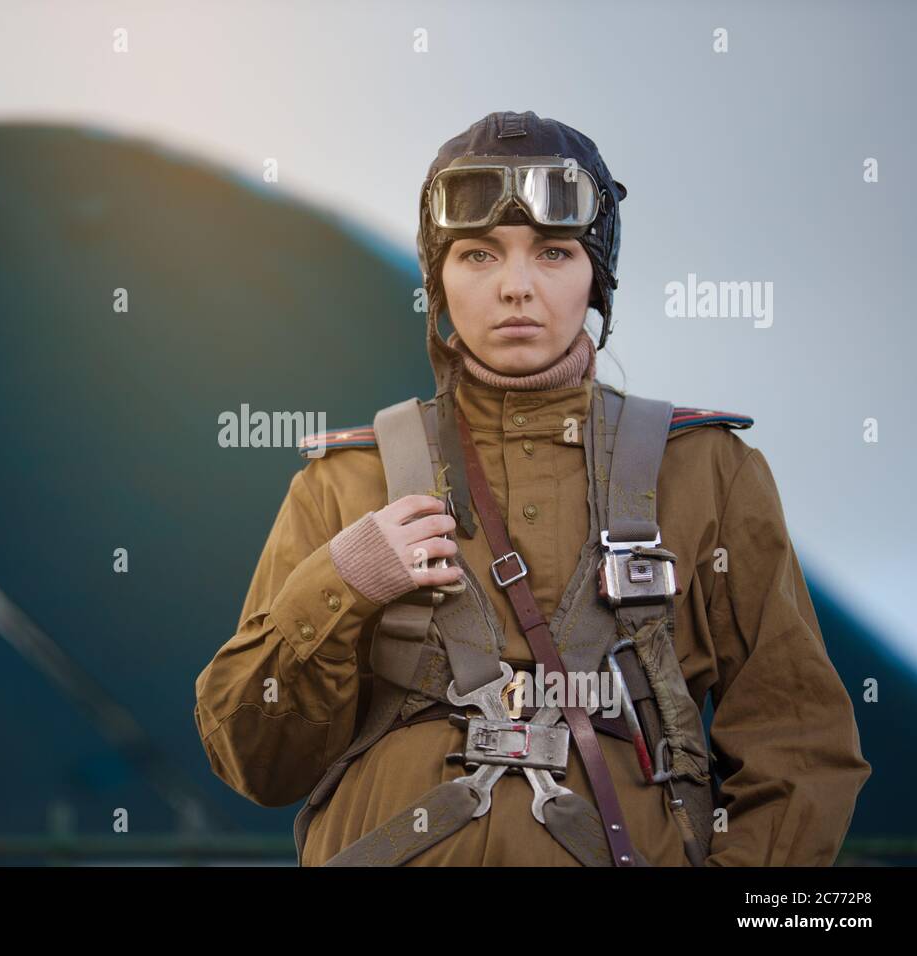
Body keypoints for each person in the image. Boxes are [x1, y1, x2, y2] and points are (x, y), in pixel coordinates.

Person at [193, 110, 870, 866]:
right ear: (439, 282)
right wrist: (341, 582)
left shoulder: (708, 472)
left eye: (552, 253)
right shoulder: (346, 480)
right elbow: (254, 760)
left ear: (597, 277)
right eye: (479, 256)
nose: (516, 288)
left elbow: (800, 742)